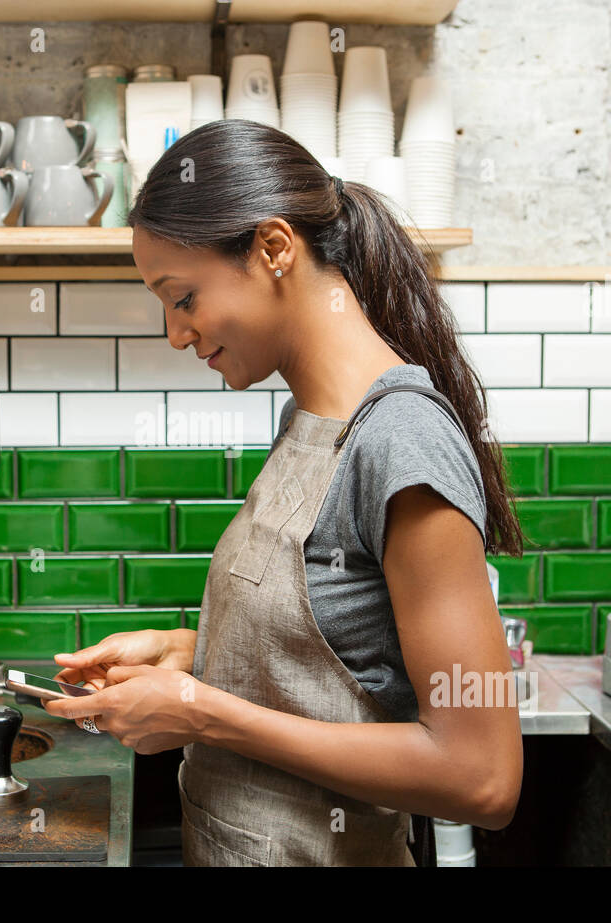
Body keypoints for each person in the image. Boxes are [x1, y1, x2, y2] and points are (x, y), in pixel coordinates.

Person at [44, 119, 524, 866]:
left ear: (273, 249)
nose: (176, 333)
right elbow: (339, 662)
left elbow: (481, 776)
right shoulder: (309, 422)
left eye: (183, 296)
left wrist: (201, 712)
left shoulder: (400, 441)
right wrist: (188, 658)